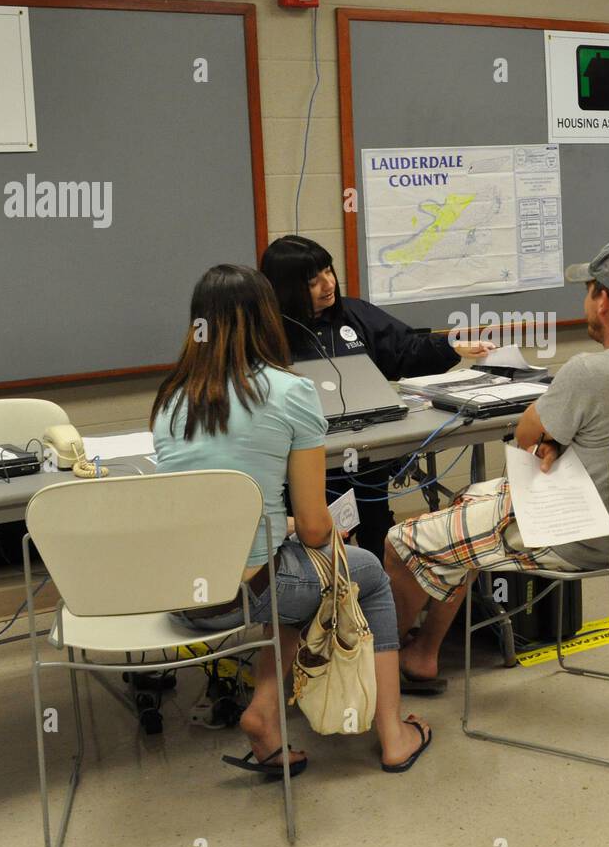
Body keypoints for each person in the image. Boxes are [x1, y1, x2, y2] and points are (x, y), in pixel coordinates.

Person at [152, 264, 431, 774]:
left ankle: (264, 715)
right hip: (251, 590)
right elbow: (316, 526)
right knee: (364, 573)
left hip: (180, 593)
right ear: (267, 319)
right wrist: (320, 532)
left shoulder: (171, 398)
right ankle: (394, 734)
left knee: (298, 572)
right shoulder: (289, 392)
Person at [383, 239, 609, 685]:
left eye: (589, 292)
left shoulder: (588, 371)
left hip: (573, 535)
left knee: (400, 540)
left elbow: (527, 434)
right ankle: (424, 656)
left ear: (603, 300)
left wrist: (552, 438)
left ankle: (379, 664)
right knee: (466, 499)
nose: (586, 302)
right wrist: (563, 442)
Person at [260, 236, 495, 566]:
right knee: (316, 554)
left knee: (376, 540)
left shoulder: (354, 314)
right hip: (304, 464)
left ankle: (376, 603)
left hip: (368, 458)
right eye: (313, 281)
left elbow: (403, 350)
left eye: (329, 271)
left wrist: (451, 348)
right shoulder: (265, 333)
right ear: (286, 289)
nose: (328, 285)